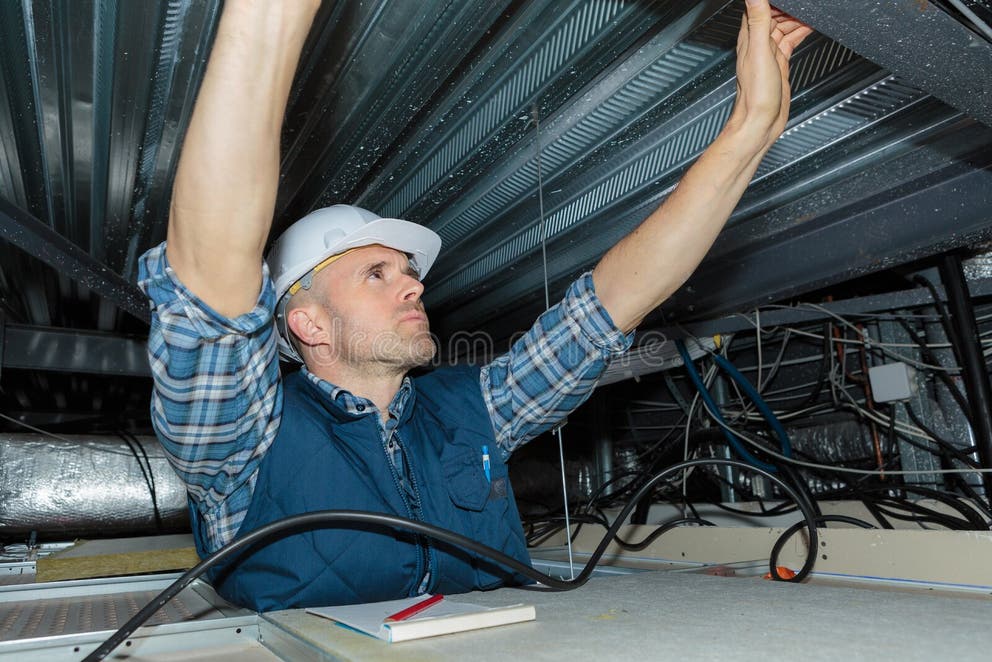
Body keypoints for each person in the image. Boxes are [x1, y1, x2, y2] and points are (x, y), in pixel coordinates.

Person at [138, 0, 811, 611]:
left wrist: (751, 127)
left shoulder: (473, 409)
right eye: (377, 273)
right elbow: (211, 293)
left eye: (408, 271)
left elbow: (612, 305)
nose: (414, 285)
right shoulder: (241, 445)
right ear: (306, 323)